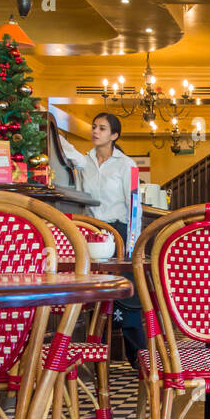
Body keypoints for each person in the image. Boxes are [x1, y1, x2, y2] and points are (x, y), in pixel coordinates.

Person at [58, 112, 145, 368]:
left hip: (119, 234)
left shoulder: (126, 165)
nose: (95, 131)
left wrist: (132, 245)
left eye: (102, 128)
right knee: (95, 298)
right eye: (94, 127)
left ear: (114, 135)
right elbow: (63, 146)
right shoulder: (84, 161)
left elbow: (134, 207)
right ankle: (92, 362)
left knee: (125, 298)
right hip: (93, 235)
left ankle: (140, 360)